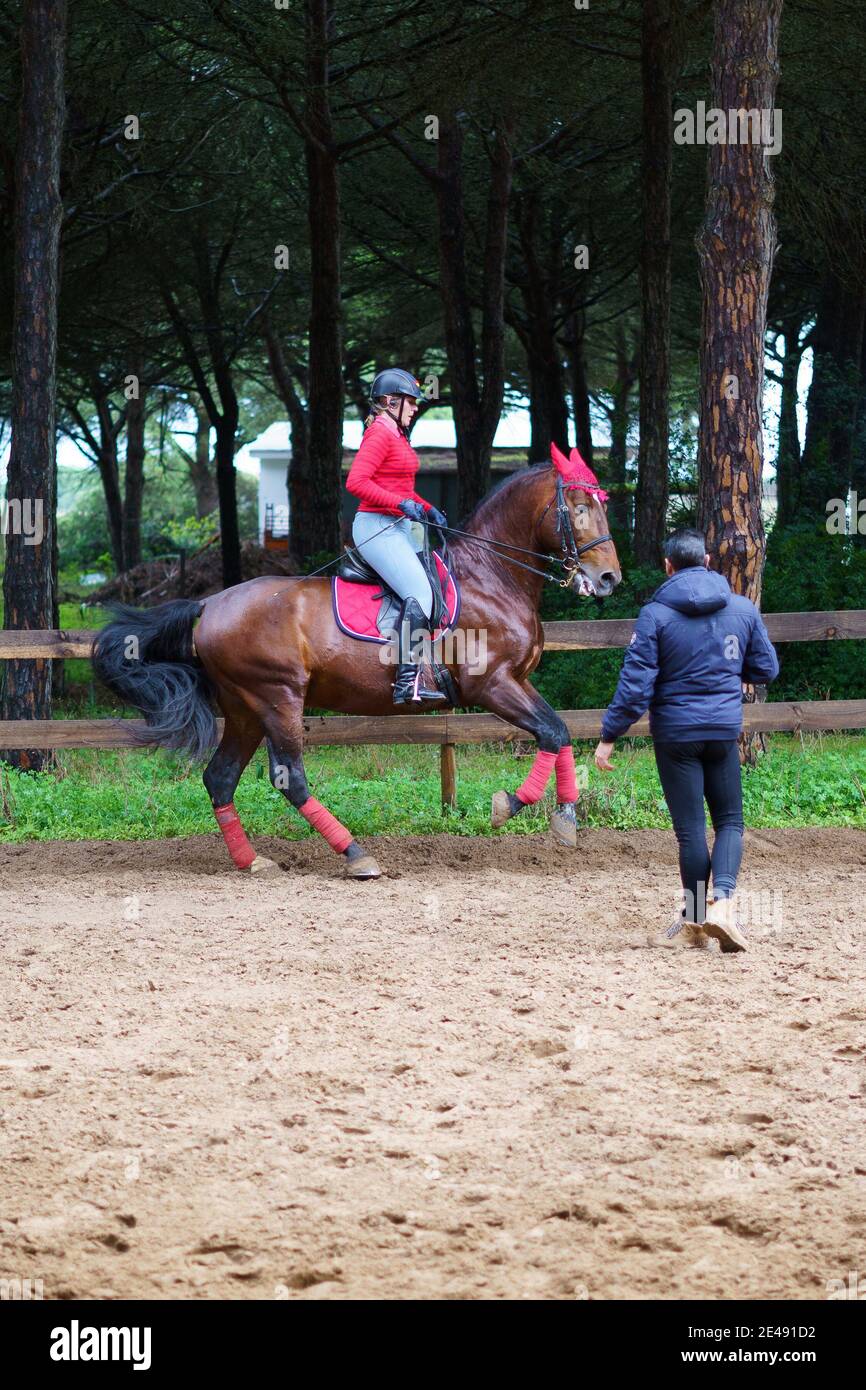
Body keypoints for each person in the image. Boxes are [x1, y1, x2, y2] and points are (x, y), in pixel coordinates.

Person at [593, 528, 779, 953]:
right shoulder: (742, 608)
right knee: (730, 821)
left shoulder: (655, 615)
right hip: (722, 731)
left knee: (690, 830)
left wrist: (610, 736)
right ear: (709, 561)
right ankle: (724, 905)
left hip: (675, 735)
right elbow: (765, 668)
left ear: (668, 566)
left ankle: (696, 916)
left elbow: (636, 686)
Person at [345, 368, 448, 705]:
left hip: (398, 524)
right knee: (419, 592)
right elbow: (356, 482)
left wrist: (426, 507)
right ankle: (407, 683)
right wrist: (401, 504)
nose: (416, 407)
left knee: (434, 586)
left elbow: (401, 488)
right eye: (410, 402)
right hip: (376, 525)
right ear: (390, 402)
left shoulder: (397, 434)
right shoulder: (379, 434)